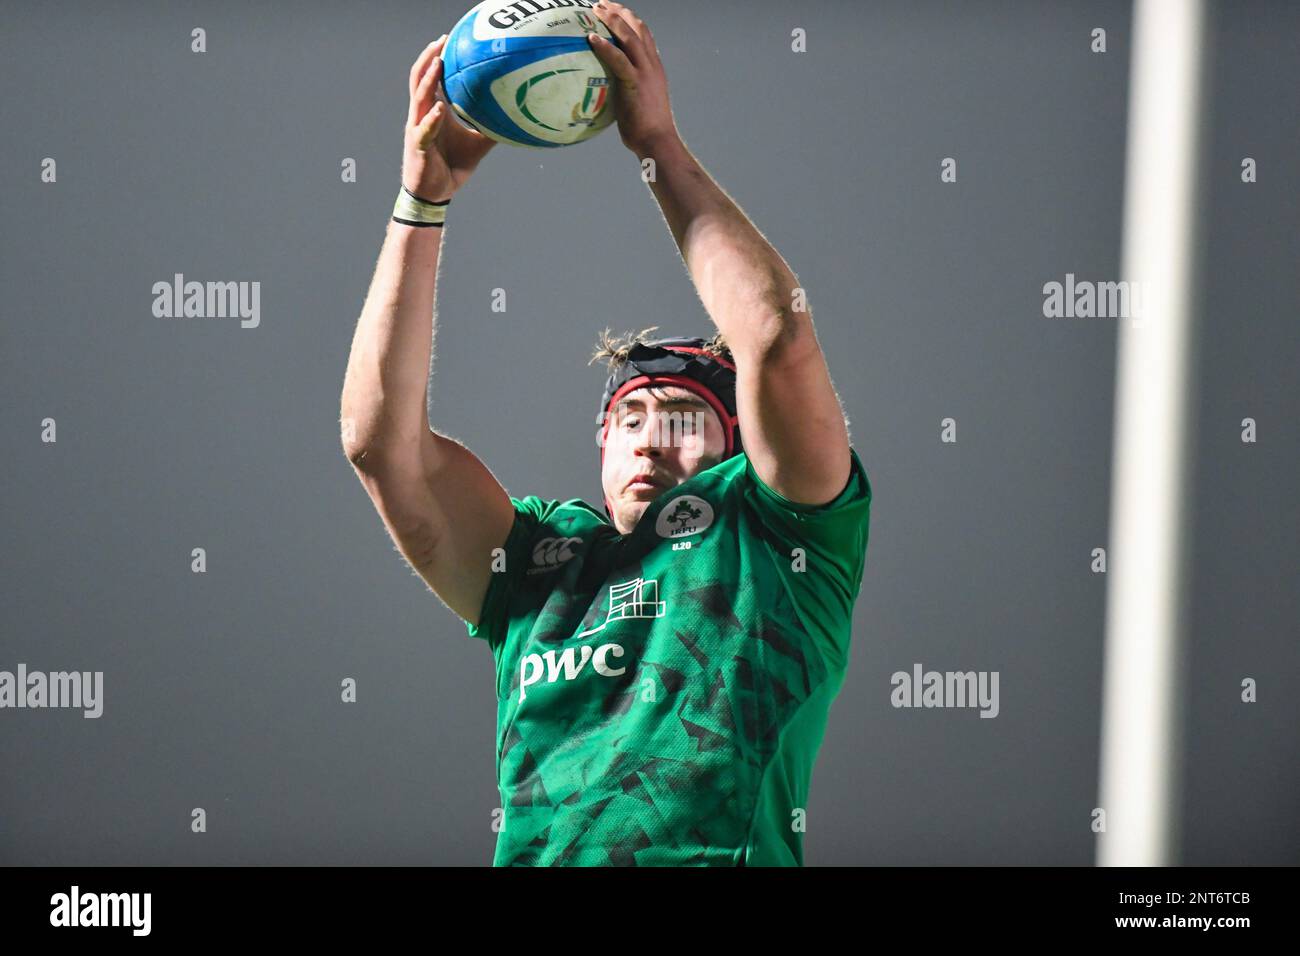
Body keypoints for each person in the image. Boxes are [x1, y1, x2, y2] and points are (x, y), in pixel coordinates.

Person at [340, 0, 872, 866]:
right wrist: (421, 199)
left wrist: (656, 146)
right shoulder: (540, 565)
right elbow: (378, 446)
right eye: (630, 419)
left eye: (686, 419)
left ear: (744, 446)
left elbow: (774, 336)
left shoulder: (781, 539)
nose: (652, 441)